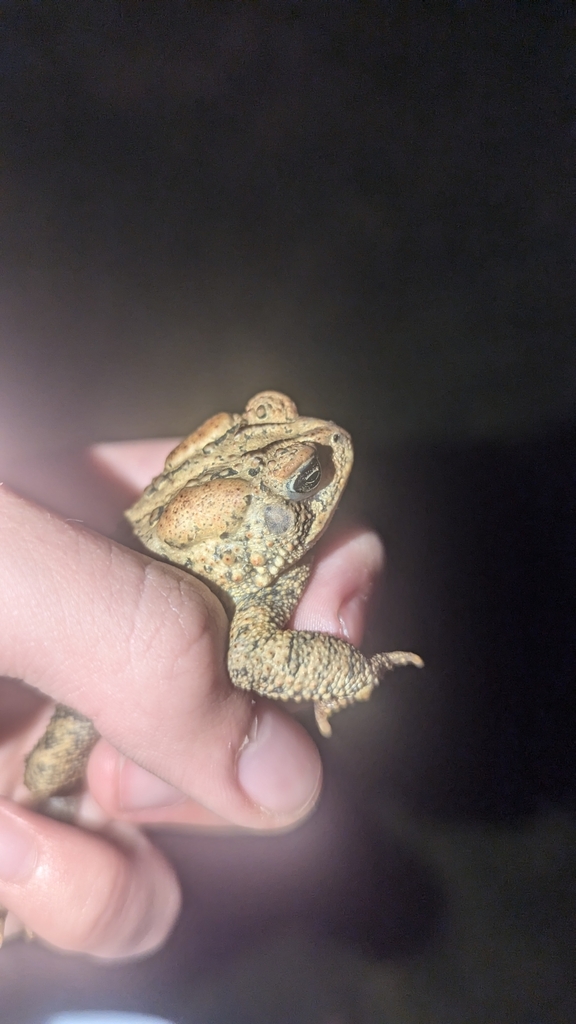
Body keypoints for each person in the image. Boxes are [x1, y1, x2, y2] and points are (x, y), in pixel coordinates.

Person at [0, 438, 384, 959]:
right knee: (49, 768)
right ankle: (49, 803)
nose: (330, 440)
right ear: (269, 517)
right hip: (109, 642)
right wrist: (349, 672)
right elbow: (254, 655)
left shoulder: (265, 558)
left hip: (133, 582)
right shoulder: (255, 580)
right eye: (307, 481)